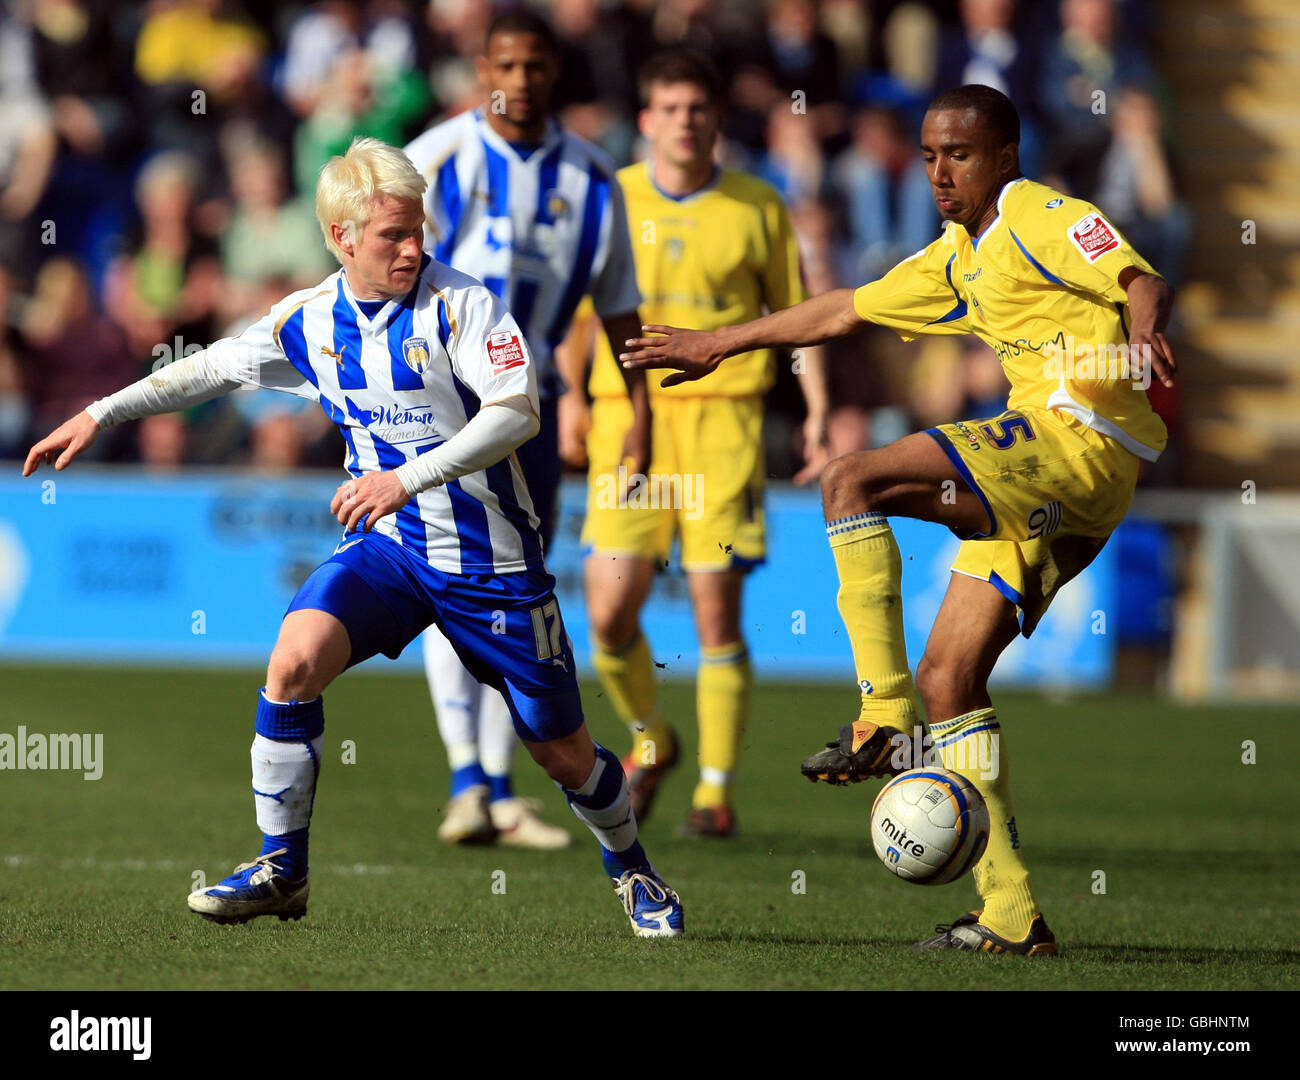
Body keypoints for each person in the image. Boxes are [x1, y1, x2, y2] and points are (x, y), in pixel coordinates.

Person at [23, 136, 683, 938]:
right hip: (393, 549)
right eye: (391, 236)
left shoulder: (463, 304)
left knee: (564, 755)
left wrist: (401, 480)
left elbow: (518, 413)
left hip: (492, 562)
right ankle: (282, 869)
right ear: (341, 238)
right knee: (293, 659)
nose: (413, 249)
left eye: (418, 231)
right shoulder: (307, 320)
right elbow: (209, 368)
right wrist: (101, 412)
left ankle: (633, 869)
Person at [620, 84, 1176, 951]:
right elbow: (842, 307)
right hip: (1062, 489)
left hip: (1075, 440)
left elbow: (1139, 275)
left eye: (957, 154)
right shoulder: (959, 256)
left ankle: (882, 715)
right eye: (926, 155)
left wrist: (1142, 330)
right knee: (952, 679)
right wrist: (713, 342)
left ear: (1003, 157)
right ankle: (1012, 913)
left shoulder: (1036, 210)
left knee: (850, 481)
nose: (939, 172)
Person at [404, 9, 650, 850]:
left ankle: (495, 791)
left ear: (554, 73)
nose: (520, 78)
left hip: (530, 408)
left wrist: (638, 408)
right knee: (449, 579)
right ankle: (474, 782)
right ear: (482, 69)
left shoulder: (594, 176)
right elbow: (378, 269)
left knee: (518, 585)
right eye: (505, 62)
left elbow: (620, 306)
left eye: (536, 64)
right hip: (440, 403)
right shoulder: (436, 157)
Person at [577, 49, 829, 838]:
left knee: (717, 610)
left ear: (716, 118)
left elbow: (799, 317)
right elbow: (580, 311)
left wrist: (817, 411)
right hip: (626, 419)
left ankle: (715, 793)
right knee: (610, 612)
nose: (685, 121)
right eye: (670, 108)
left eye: (698, 107)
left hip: (725, 422)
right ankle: (654, 739)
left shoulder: (758, 204)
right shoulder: (610, 196)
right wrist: (565, 395)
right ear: (646, 119)